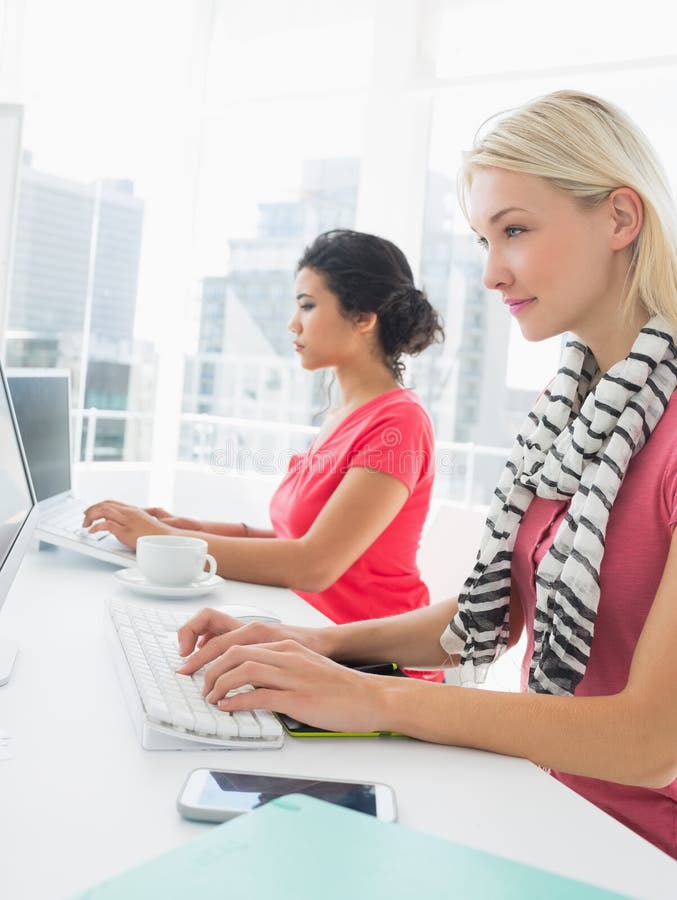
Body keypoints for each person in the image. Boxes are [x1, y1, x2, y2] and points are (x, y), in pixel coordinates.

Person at [174, 91, 677, 858]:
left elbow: (647, 742)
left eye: (513, 231)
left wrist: (372, 695)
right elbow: (498, 611)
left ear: (618, 219)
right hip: (545, 797)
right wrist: (317, 645)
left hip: (634, 848)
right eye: (482, 239)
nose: (490, 275)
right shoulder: (575, 410)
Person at [84, 229, 444, 631]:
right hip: (313, 639)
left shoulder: (399, 422)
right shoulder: (342, 415)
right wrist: (187, 529)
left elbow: (314, 565)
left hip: (375, 664)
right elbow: (295, 537)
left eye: (307, 306)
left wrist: (163, 541)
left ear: (363, 317)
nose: (293, 325)